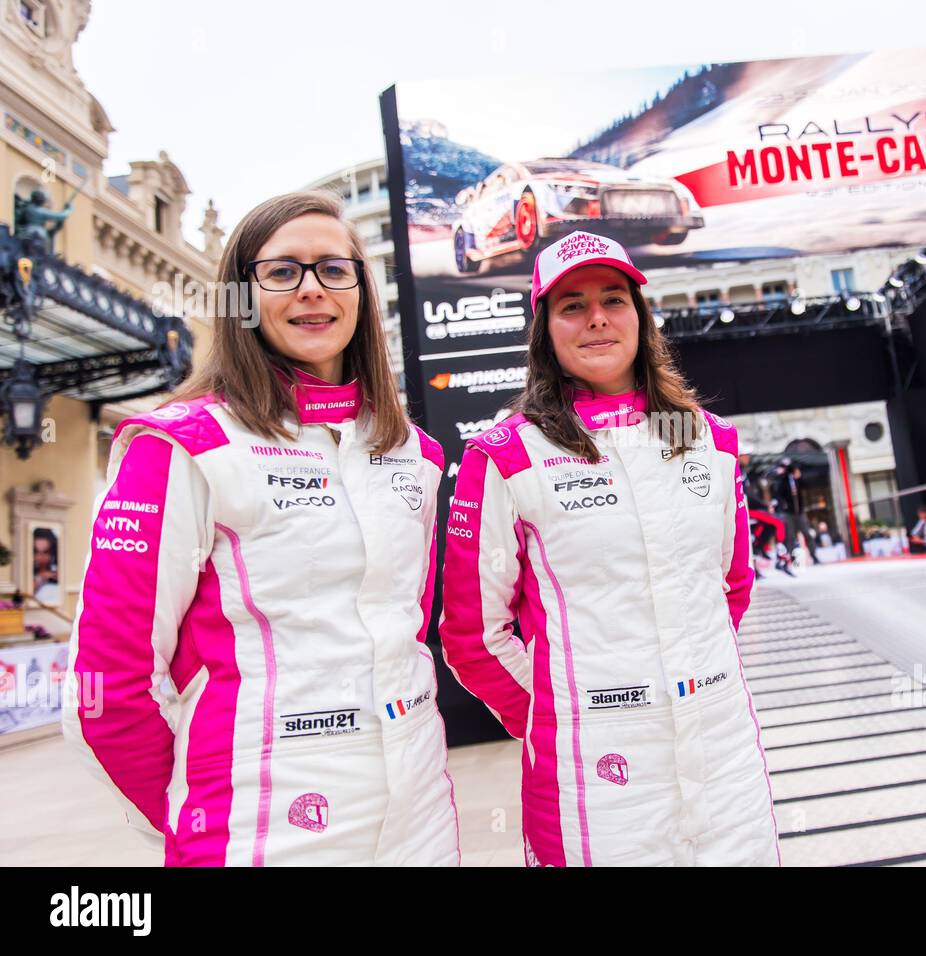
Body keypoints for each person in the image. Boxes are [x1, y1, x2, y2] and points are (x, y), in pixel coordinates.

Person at [63, 192, 460, 866]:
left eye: (335, 269)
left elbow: (404, 626)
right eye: (282, 272)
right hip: (261, 829)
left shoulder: (415, 456)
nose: (312, 289)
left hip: (420, 819)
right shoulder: (182, 445)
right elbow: (110, 681)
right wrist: (196, 811)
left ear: (362, 292)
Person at [439, 231, 779, 867]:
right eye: (572, 304)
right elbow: (472, 633)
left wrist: (691, 675)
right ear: (545, 329)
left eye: (613, 299)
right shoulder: (505, 455)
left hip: (724, 755)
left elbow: (729, 586)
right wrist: (554, 720)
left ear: (640, 317)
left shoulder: (709, 438)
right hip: (593, 778)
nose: (596, 318)